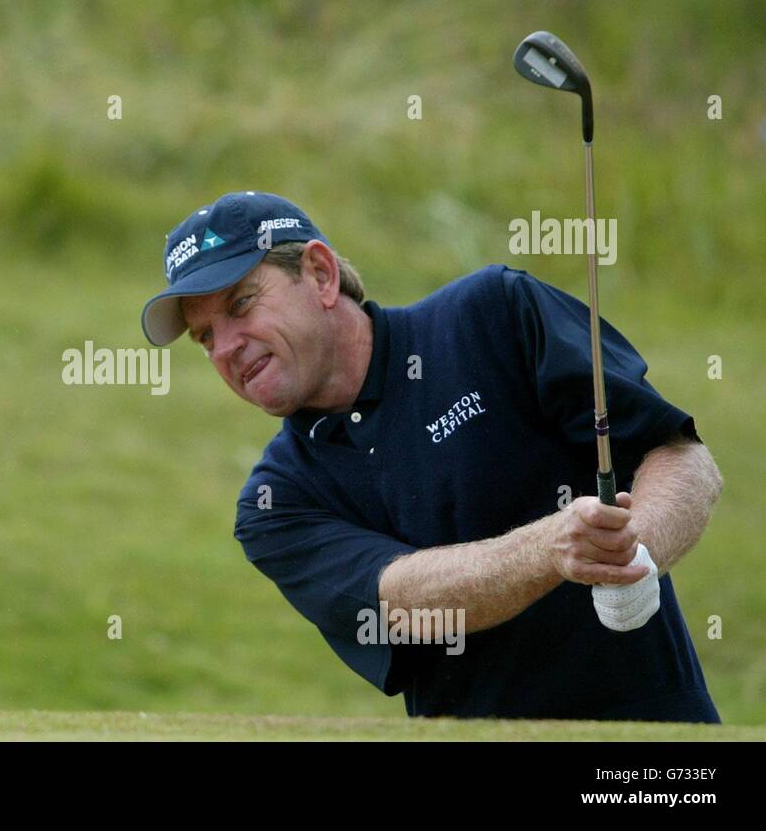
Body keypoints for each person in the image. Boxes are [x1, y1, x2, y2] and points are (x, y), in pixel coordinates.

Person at [140, 191, 723, 721]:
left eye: (241, 304)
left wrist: (636, 550)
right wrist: (555, 546)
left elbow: (678, 453)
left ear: (319, 274)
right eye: (205, 337)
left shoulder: (494, 314)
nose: (226, 348)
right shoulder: (276, 503)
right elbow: (401, 599)